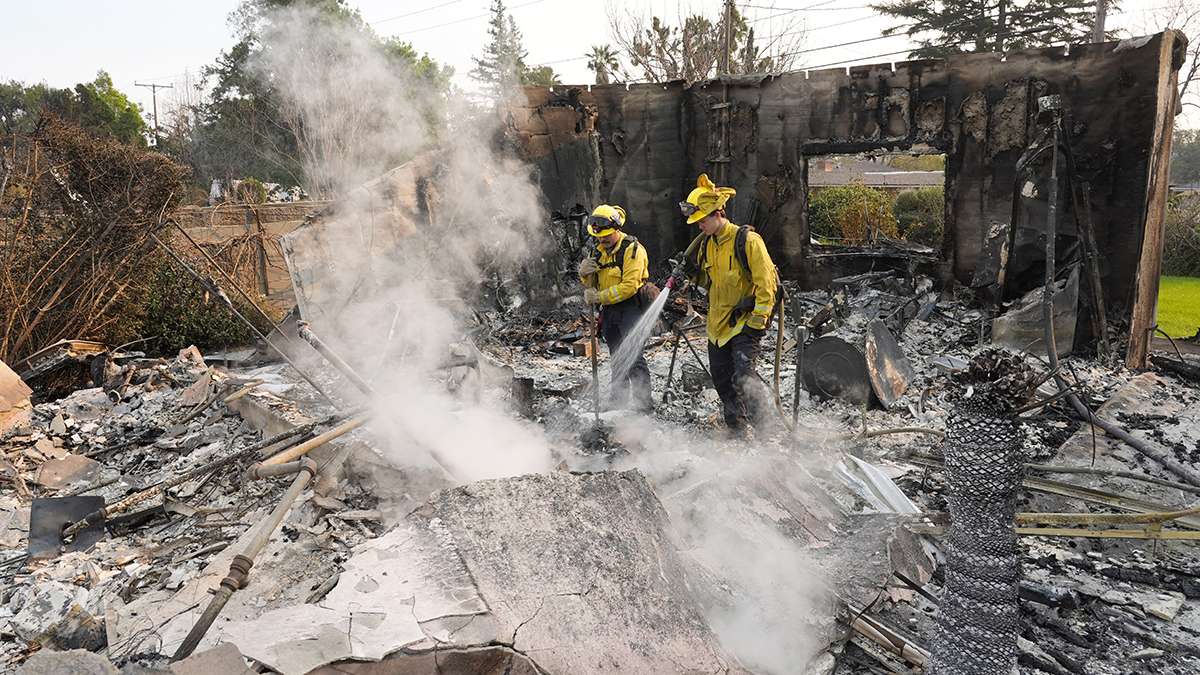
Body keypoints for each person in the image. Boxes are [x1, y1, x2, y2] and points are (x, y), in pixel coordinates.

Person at [680, 174, 778, 437]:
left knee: (745, 377)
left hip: (744, 323)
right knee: (722, 381)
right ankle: (737, 431)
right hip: (717, 326)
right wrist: (693, 273)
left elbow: (767, 284)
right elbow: (709, 284)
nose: (699, 226)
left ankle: (767, 434)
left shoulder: (748, 241)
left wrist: (758, 321)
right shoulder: (708, 245)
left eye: (702, 220)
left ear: (717, 213)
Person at [578, 204, 654, 412]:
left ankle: (644, 407)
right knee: (618, 358)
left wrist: (599, 297)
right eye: (599, 236)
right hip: (609, 311)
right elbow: (594, 282)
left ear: (617, 228)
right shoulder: (597, 252)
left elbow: (629, 287)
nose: (602, 239)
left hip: (631, 309)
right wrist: (584, 274)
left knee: (634, 357)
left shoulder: (633, 250)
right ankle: (618, 404)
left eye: (606, 235)